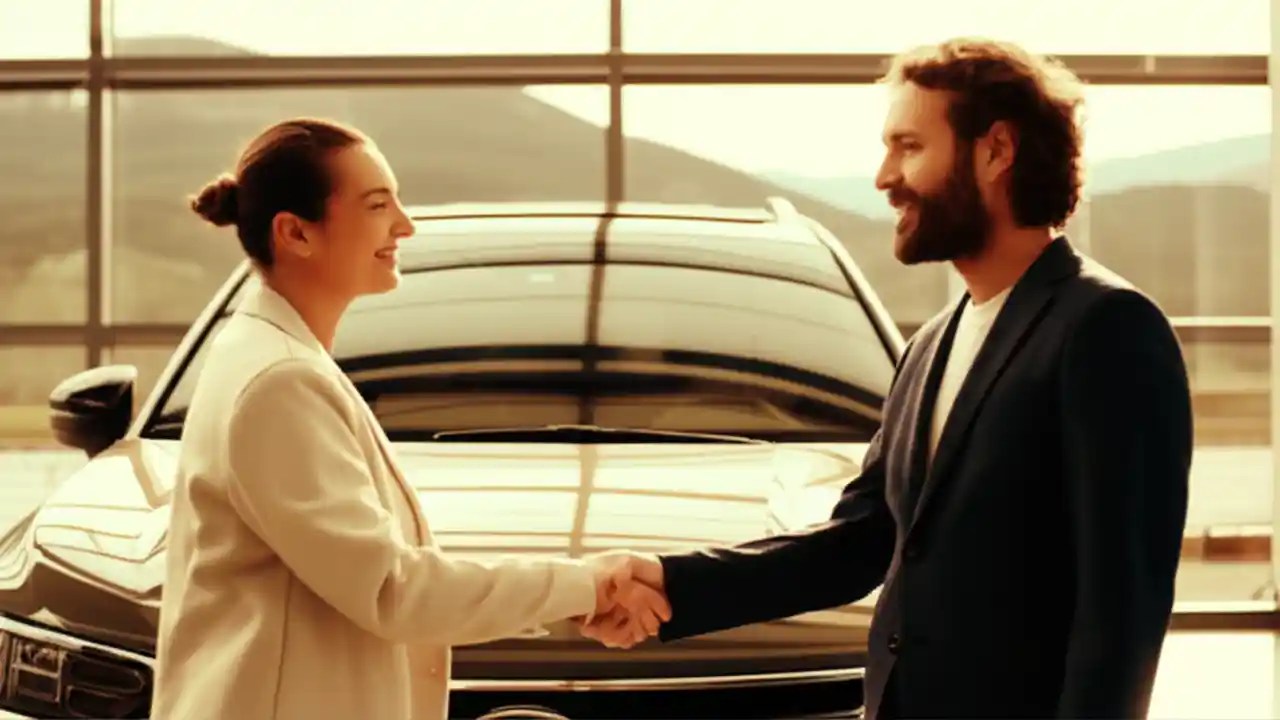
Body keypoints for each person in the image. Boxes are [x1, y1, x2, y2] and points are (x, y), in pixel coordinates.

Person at [582, 38, 1193, 720]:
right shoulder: (929, 346)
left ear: (997, 151)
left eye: (908, 146)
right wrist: (670, 583)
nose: (883, 175)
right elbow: (859, 544)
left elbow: (1120, 610)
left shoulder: (1107, 329)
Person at [151, 117, 669, 720]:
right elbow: (392, 589)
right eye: (378, 204)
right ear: (295, 233)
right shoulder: (280, 382)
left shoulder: (264, 353)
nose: (406, 224)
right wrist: (587, 583)